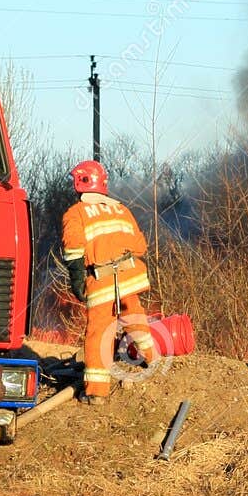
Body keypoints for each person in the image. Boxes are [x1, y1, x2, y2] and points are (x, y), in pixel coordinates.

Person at [60, 160, 159, 404]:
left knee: (99, 330)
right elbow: (140, 246)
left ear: (81, 182)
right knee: (133, 314)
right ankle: (153, 357)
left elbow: (73, 250)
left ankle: (96, 391)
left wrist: (77, 280)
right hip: (129, 274)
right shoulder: (121, 209)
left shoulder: (76, 213)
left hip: (102, 278)